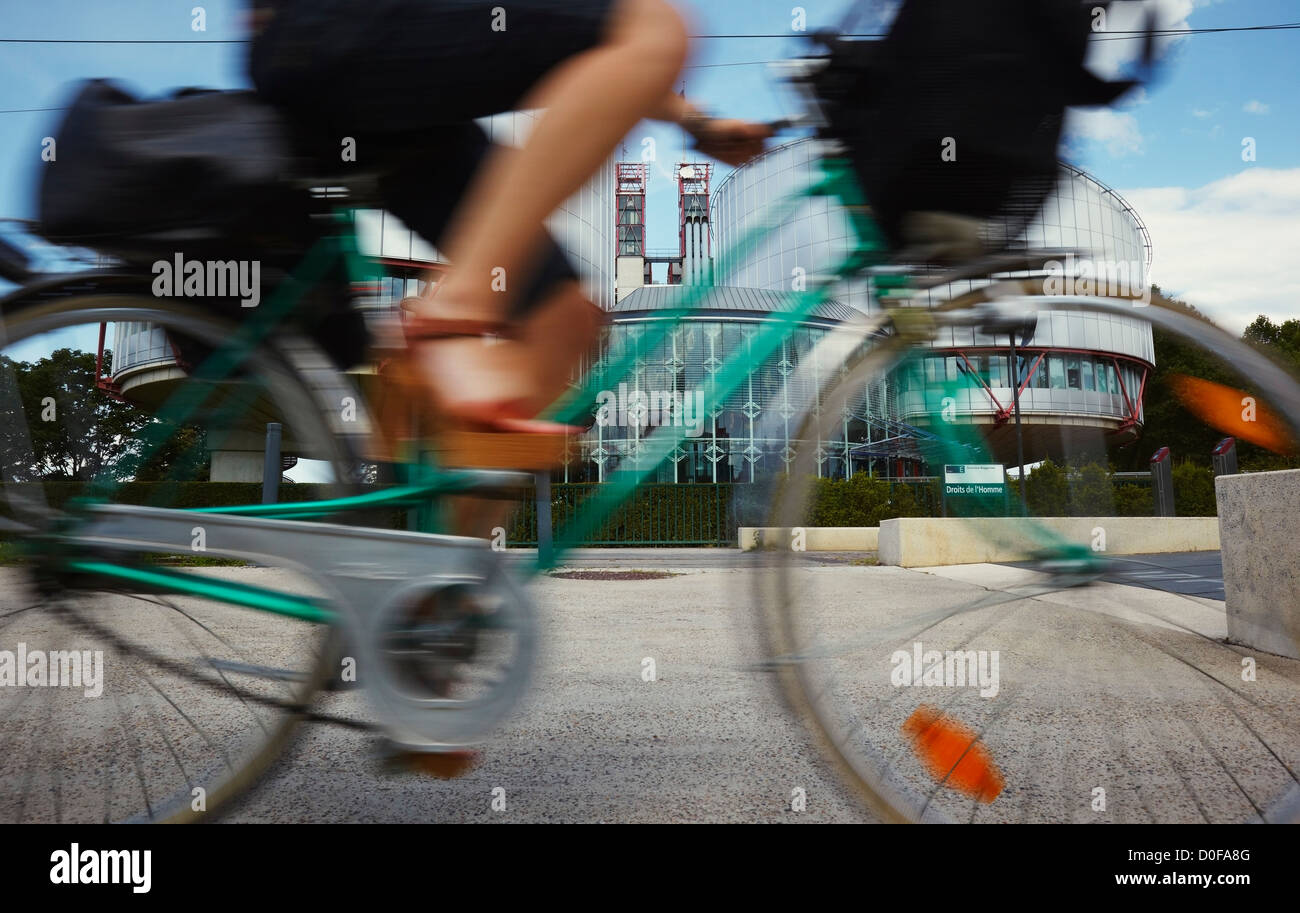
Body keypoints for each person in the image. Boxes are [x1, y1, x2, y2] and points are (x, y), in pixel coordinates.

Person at [247, 0, 771, 464]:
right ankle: (453, 316)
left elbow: (592, 34)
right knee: (658, 23)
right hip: (324, 27)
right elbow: (619, 32)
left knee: (562, 322)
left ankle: (456, 567)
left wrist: (696, 123)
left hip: (397, 98)